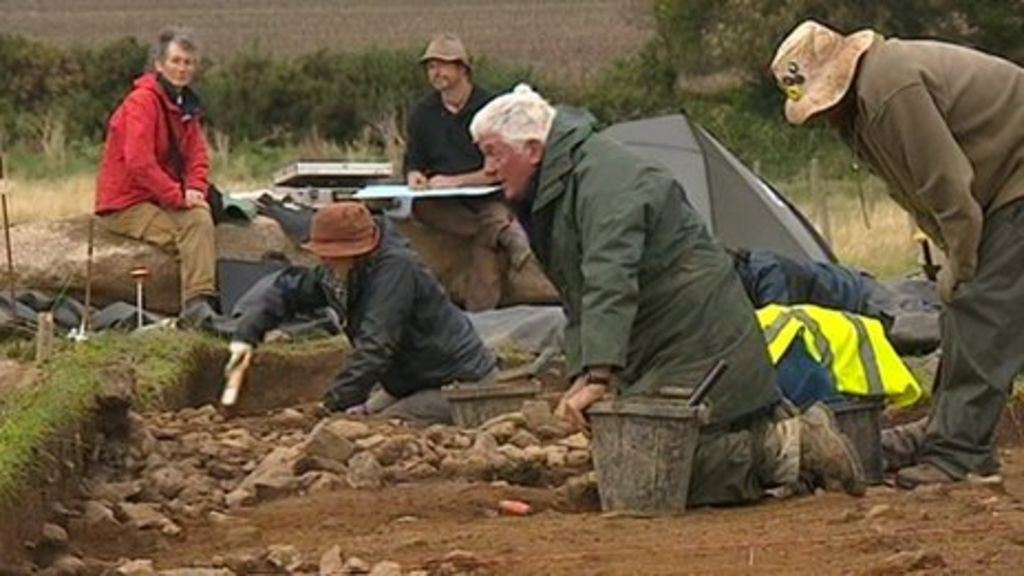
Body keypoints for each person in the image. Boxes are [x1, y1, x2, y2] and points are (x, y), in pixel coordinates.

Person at [469, 84, 866, 506]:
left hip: (702, 340)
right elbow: (579, 296)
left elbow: (609, 279)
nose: (487, 168)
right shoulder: (562, 187)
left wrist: (600, 375)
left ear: (532, 149)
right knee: (635, 463)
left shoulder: (605, 181)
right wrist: (582, 374)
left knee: (660, 472)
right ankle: (772, 442)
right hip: (669, 340)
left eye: (493, 153)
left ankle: (792, 445)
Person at [771, 21, 1024, 488]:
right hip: (996, 193)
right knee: (961, 313)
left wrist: (962, 263)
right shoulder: (864, 107)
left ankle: (959, 457)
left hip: (1014, 182)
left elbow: (945, 181)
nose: (822, 118)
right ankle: (951, 439)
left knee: (980, 308)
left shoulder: (891, 88)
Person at [224, 202, 497, 424]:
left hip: (457, 382)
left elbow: (375, 346)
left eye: (331, 254)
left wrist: (331, 405)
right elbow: (288, 292)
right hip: (410, 382)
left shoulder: (396, 271)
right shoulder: (343, 271)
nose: (324, 260)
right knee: (361, 415)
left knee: (379, 428)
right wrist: (247, 332)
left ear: (357, 251)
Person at [95, 26, 218, 326]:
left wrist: (195, 189)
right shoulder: (143, 102)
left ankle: (199, 304)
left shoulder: (184, 104)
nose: (182, 68)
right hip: (126, 204)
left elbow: (197, 156)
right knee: (193, 230)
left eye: (188, 62)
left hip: (157, 197)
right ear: (160, 65)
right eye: (176, 61)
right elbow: (139, 163)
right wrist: (178, 197)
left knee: (201, 215)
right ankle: (197, 308)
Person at [404, 33, 532, 311]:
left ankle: (480, 314)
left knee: (494, 211)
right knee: (421, 207)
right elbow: (414, 159)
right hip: (445, 202)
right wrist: (414, 175)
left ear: (462, 68)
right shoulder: (422, 113)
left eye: (443, 65)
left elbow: (499, 171)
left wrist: (454, 181)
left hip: (488, 193)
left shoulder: (491, 107)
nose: (436, 73)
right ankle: (501, 232)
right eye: (431, 67)